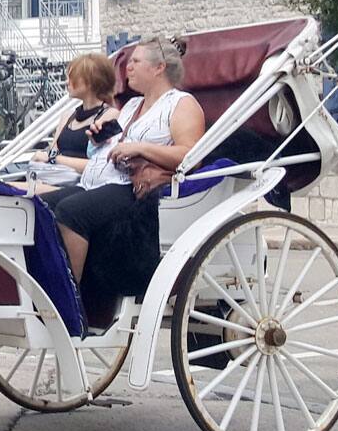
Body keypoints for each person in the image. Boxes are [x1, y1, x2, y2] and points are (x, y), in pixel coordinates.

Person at [41, 37, 205, 283]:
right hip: (99, 182)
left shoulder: (181, 104)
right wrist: (99, 140)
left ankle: (70, 299)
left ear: (159, 68)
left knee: (70, 211)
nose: (128, 67)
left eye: (136, 61)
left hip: (133, 188)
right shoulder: (132, 105)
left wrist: (140, 147)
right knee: (39, 206)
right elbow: (116, 143)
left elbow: (191, 156)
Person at [24, 52, 123, 193]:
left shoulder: (110, 116)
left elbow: (99, 165)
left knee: (15, 192)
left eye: (72, 78)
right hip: (56, 180)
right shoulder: (68, 116)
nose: (67, 83)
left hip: (81, 186)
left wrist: (54, 159)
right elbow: (52, 153)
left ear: (90, 81)